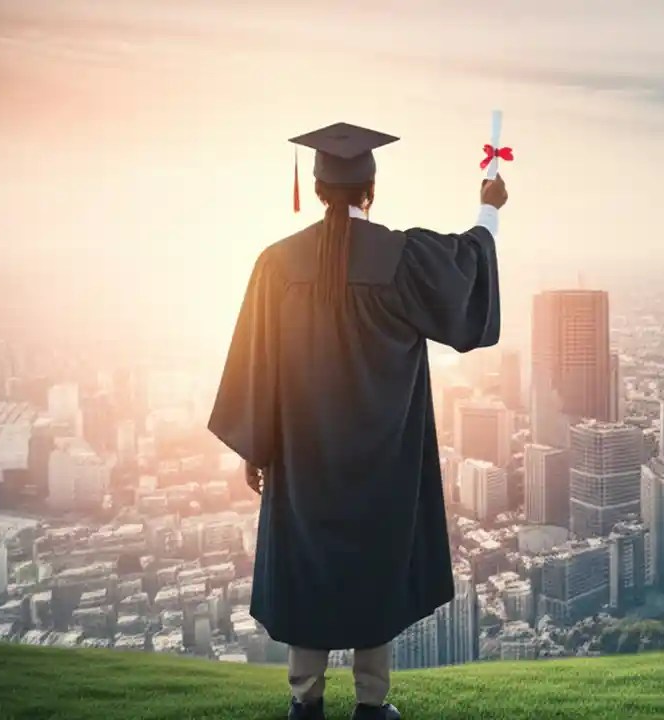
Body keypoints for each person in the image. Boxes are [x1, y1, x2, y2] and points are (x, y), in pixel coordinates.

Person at [207, 121, 507, 720]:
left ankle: (304, 699)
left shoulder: (275, 265)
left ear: (317, 188)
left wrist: (255, 447)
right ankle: (372, 702)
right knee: (378, 559)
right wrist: (488, 204)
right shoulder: (402, 258)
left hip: (303, 457)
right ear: (371, 188)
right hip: (383, 457)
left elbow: (255, 361)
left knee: (307, 560)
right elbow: (467, 270)